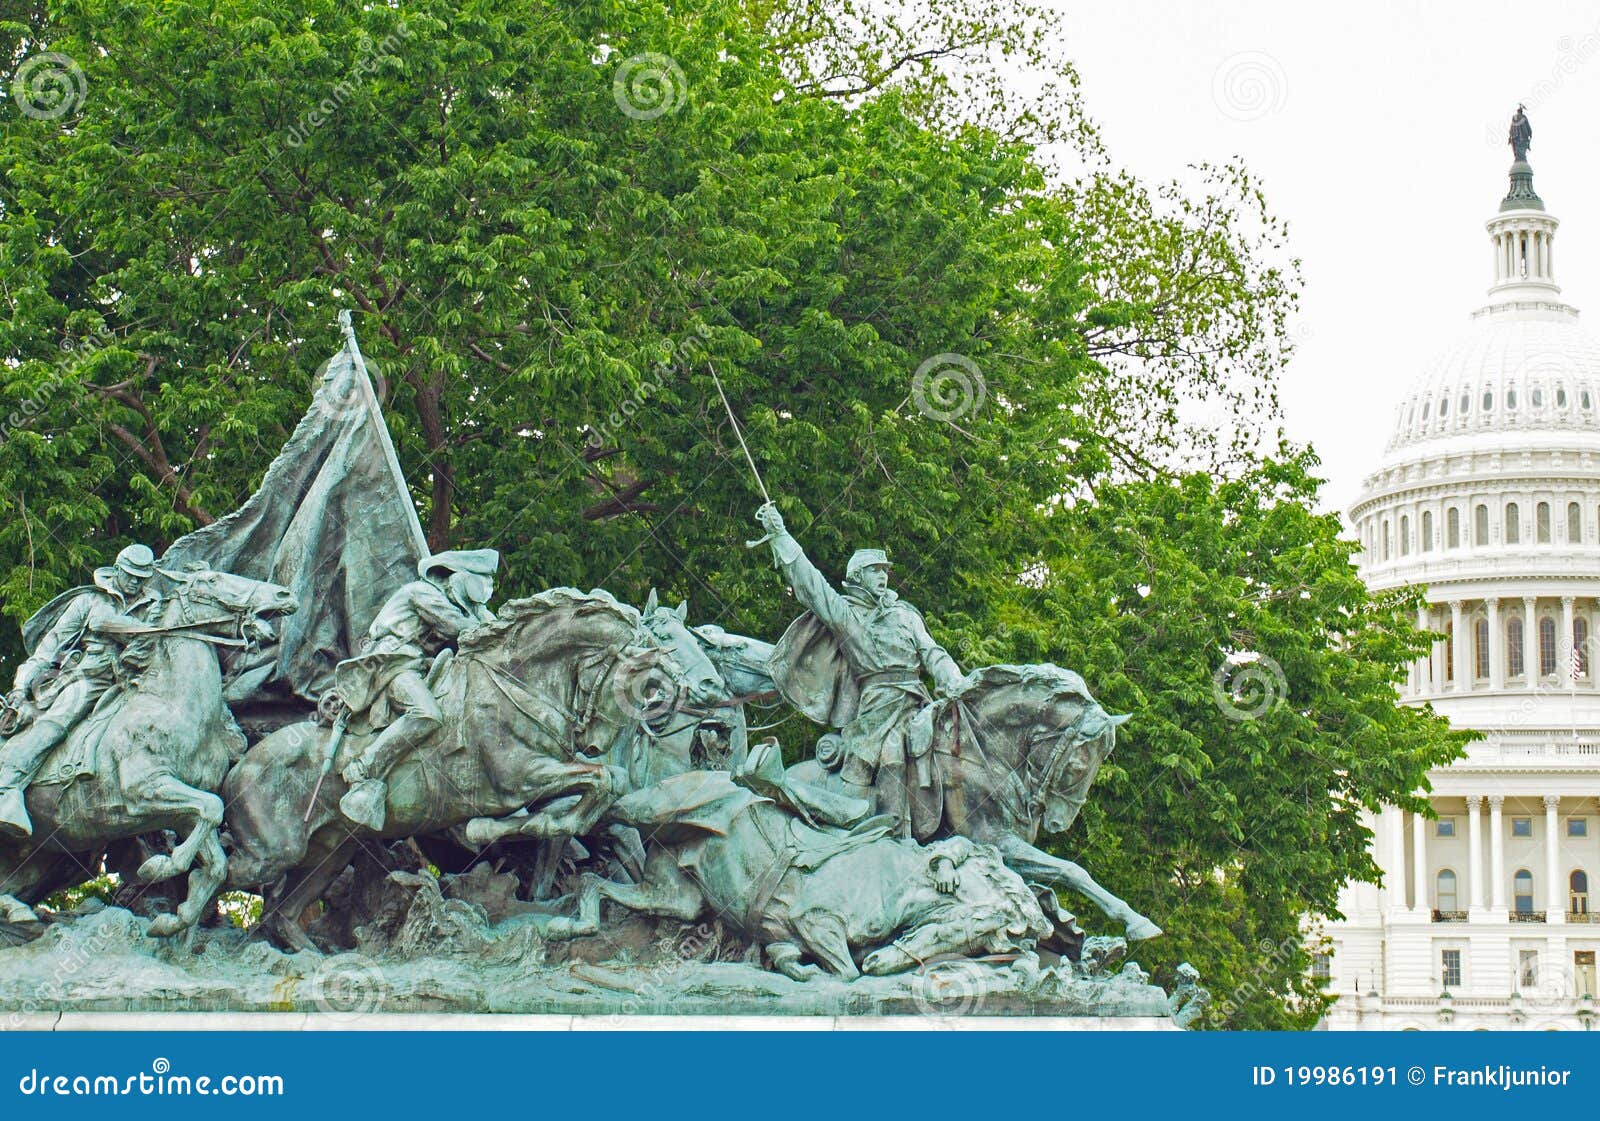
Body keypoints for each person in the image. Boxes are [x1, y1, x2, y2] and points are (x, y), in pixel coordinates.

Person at [754, 502, 966, 837]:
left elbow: (933, 653)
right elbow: (812, 585)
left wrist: (955, 680)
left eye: (885, 571)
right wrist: (780, 535)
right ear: (857, 576)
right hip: (877, 706)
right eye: (874, 570)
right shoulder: (847, 614)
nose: (883, 576)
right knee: (890, 753)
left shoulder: (906, 614)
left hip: (917, 702)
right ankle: (891, 834)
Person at [0, 544, 159, 838]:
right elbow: (50, 647)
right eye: (131, 575)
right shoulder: (89, 602)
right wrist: (22, 687)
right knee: (56, 723)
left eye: (142, 577)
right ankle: (6, 789)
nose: (136, 582)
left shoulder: (154, 605)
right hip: (86, 679)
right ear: (118, 570)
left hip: (137, 680)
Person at [334, 549, 498, 830]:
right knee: (427, 713)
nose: (482, 594)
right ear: (458, 579)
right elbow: (462, 628)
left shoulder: (443, 599)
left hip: (415, 665)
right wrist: (484, 616)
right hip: (389, 664)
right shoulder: (422, 592)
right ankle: (364, 768)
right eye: (478, 585)